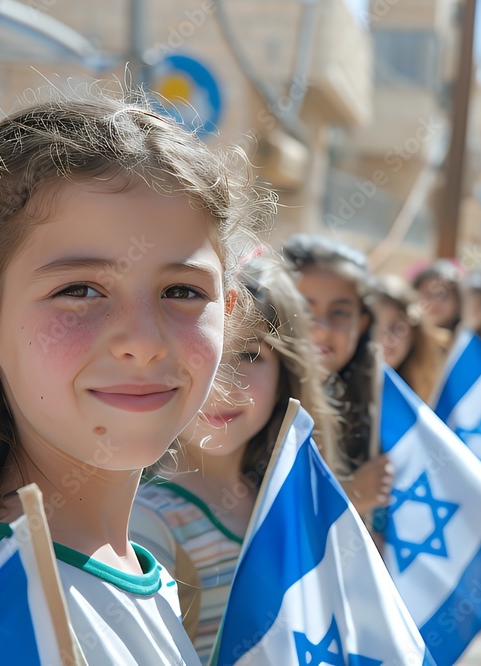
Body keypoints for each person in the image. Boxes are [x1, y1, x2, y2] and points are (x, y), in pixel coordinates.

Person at [0, 97, 272, 665]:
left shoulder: (131, 572)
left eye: (181, 292)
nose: (144, 340)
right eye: (79, 290)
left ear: (226, 314)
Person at [130, 256, 340, 662]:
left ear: (286, 374)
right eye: (203, 353)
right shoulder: (144, 523)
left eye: (248, 355)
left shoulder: (291, 500)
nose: (223, 383)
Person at [282, 234, 393, 518]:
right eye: (305, 308)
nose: (321, 328)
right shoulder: (251, 402)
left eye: (340, 311)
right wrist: (352, 497)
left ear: (362, 322)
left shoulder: (370, 404)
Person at [371, 273, 451, 403]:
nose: (385, 339)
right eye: (373, 327)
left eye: (396, 328)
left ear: (414, 333)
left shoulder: (434, 395)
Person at [411, 259, 462, 332]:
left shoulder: (466, 336)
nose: (435, 303)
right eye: (428, 296)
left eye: (441, 295)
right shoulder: (413, 337)